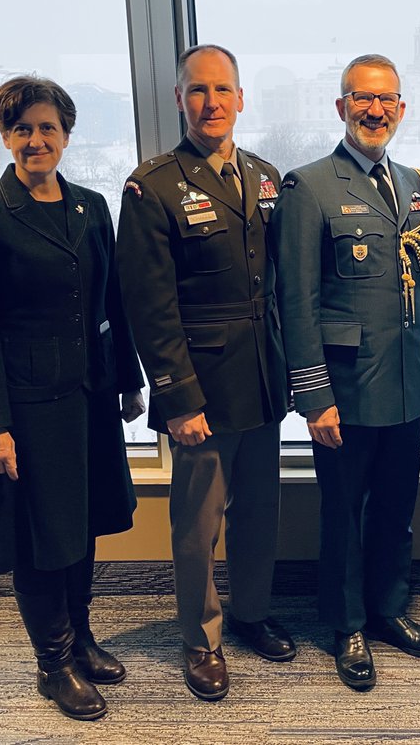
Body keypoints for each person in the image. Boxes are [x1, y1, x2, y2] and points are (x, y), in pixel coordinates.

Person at [0, 76, 146, 722]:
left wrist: (127, 379)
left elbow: (110, 303)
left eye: (47, 128)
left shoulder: (90, 206)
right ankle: (53, 663)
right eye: (22, 129)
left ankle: (81, 637)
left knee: (81, 525)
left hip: (90, 398)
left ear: (66, 134)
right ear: (5, 136)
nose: (36, 140)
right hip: (29, 408)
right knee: (43, 537)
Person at [271, 54, 420, 691]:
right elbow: (295, 301)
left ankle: (388, 609)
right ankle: (347, 624)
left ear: (401, 108)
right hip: (344, 387)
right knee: (344, 512)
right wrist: (313, 395)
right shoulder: (308, 186)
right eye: (362, 99)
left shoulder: (418, 186)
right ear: (342, 106)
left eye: (386, 100)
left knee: (397, 508)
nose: (375, 111)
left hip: (406, 380)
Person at [115, 45, 294, 703]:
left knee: (260, 513)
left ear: (241, 98)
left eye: (222, 89)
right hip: (202, 386)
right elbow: (149, 306)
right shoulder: (153, 186)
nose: (211, 102)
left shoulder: (265, 177)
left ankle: (251, 614)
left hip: (263, 378)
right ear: (179, 100)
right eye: (198, 90)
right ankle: (200, 637)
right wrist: (179, 398)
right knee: (198, 525)